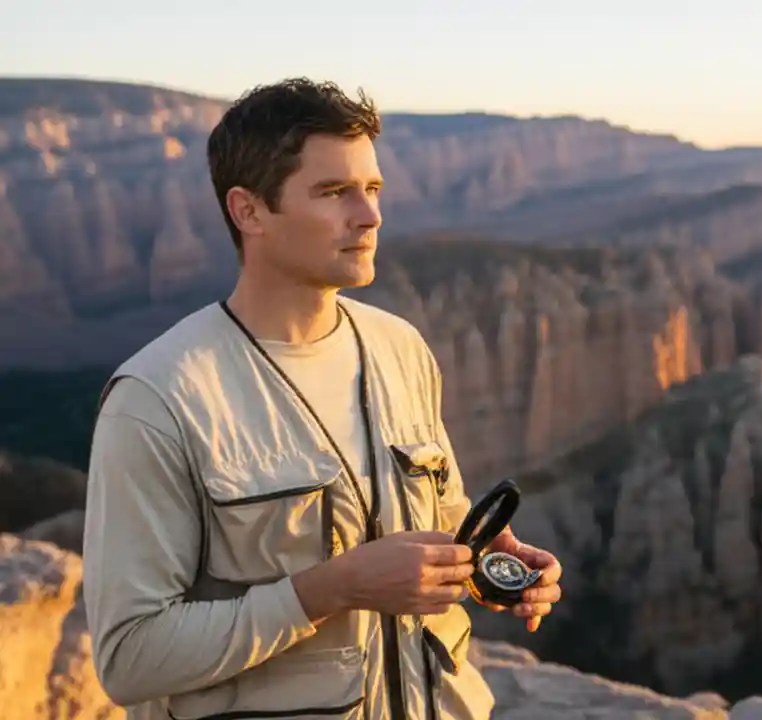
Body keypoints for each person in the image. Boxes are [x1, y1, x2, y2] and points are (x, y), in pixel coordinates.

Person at [82, 77, 562, 720]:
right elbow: (129, 659)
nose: (370, 216)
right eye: (335, 192)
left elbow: (439, 516)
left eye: (373, 189)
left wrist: (482, 558)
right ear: (248, 211)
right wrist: (331, 589)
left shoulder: (401, 348)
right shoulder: (158, 400)